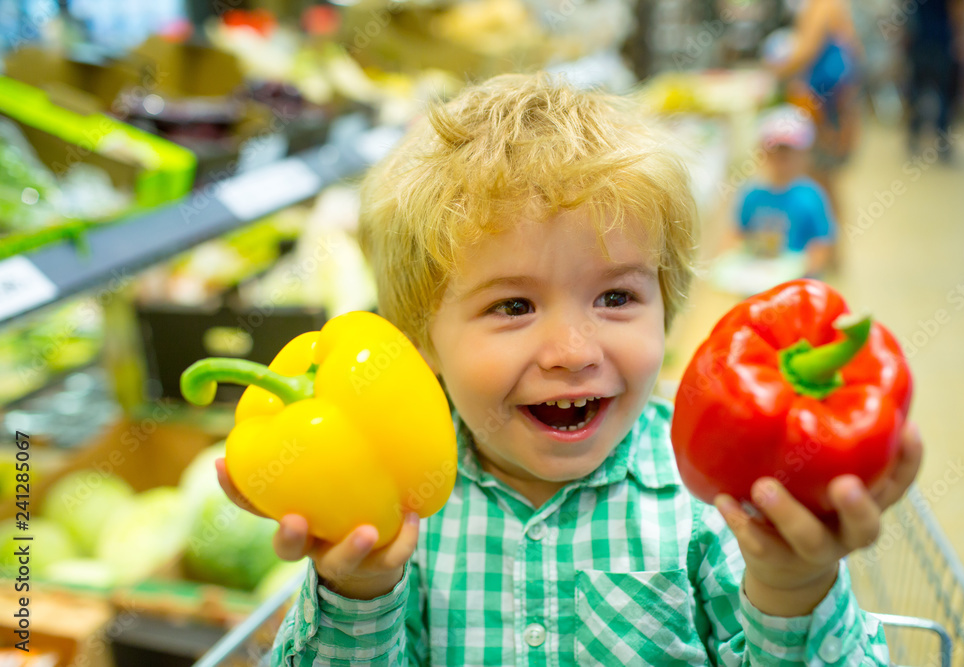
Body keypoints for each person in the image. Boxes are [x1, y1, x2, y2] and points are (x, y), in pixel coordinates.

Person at [217, 73, 922, 665]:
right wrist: (358, 592)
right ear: (419, 339)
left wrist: (791, 585)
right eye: (514, 305)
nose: (574, 350)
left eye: (616, 296)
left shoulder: (710, 502)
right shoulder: (399, 511)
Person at [713, 105, 836, 296]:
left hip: (797, 290)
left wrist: (805, 271)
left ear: (805, 154)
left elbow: (821, 244)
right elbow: (735, 234)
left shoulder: (811, 197)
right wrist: (728, 264)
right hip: (756, 286)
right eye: (775, 150)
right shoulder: (751, 194)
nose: (781, 157)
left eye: (788, 151)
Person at [768, 0, 862, 222]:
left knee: (821, 181)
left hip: (824, 110)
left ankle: (827, 245)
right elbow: (854, 53)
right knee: (826, 181)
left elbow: (806, 51)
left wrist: (772, 71)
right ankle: (831, 244)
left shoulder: (821, 5)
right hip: (835, 105)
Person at [902, 0, 964, 160]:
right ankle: (943, 142)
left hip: (921, 43)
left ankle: (914, 136)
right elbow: (959, 13)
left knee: (917, 92)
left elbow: (907, 16)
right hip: (942, 44)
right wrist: (962, 39)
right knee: (944, 95)